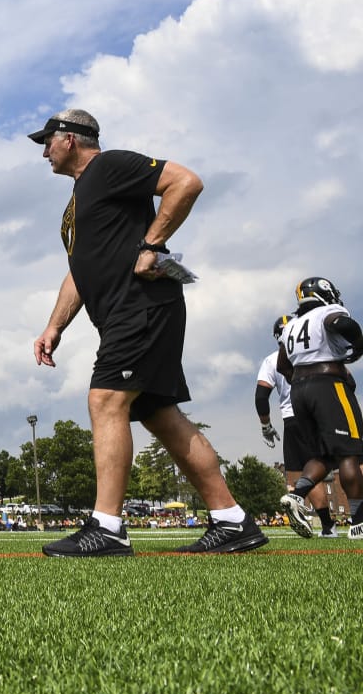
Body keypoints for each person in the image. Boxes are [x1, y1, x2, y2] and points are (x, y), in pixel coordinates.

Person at [28, 109, 266, 556]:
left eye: (48, 141)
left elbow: (186, 181)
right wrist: (53, 325)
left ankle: (107, 527)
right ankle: (232, 520)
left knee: (105, 398)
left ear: (72, 139)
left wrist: (152, 245)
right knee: (160, 415)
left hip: (141, 306)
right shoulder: (79, 201)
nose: (44, 151)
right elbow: (81, 270)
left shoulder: (110, 165)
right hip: (124, 312)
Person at [275, 278, 363, 540]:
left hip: (299, 392)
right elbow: (342, 324)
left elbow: (283, 366)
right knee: (350, 452)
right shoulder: (326, 312)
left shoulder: (291, 325)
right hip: (328, 385)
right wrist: (358, 346)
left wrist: (304, 381)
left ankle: (296, 494)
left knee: (322, 455)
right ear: (324, 292)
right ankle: (359, 521)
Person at [257, 314, 336, 537]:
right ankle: (334, 524)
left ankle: (320, 520)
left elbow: (261, 396)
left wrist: (266, 425)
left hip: (293, 417)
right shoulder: (314, 351)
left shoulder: (273, 360)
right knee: (342, 459)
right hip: (321, 412)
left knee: (298, 474)